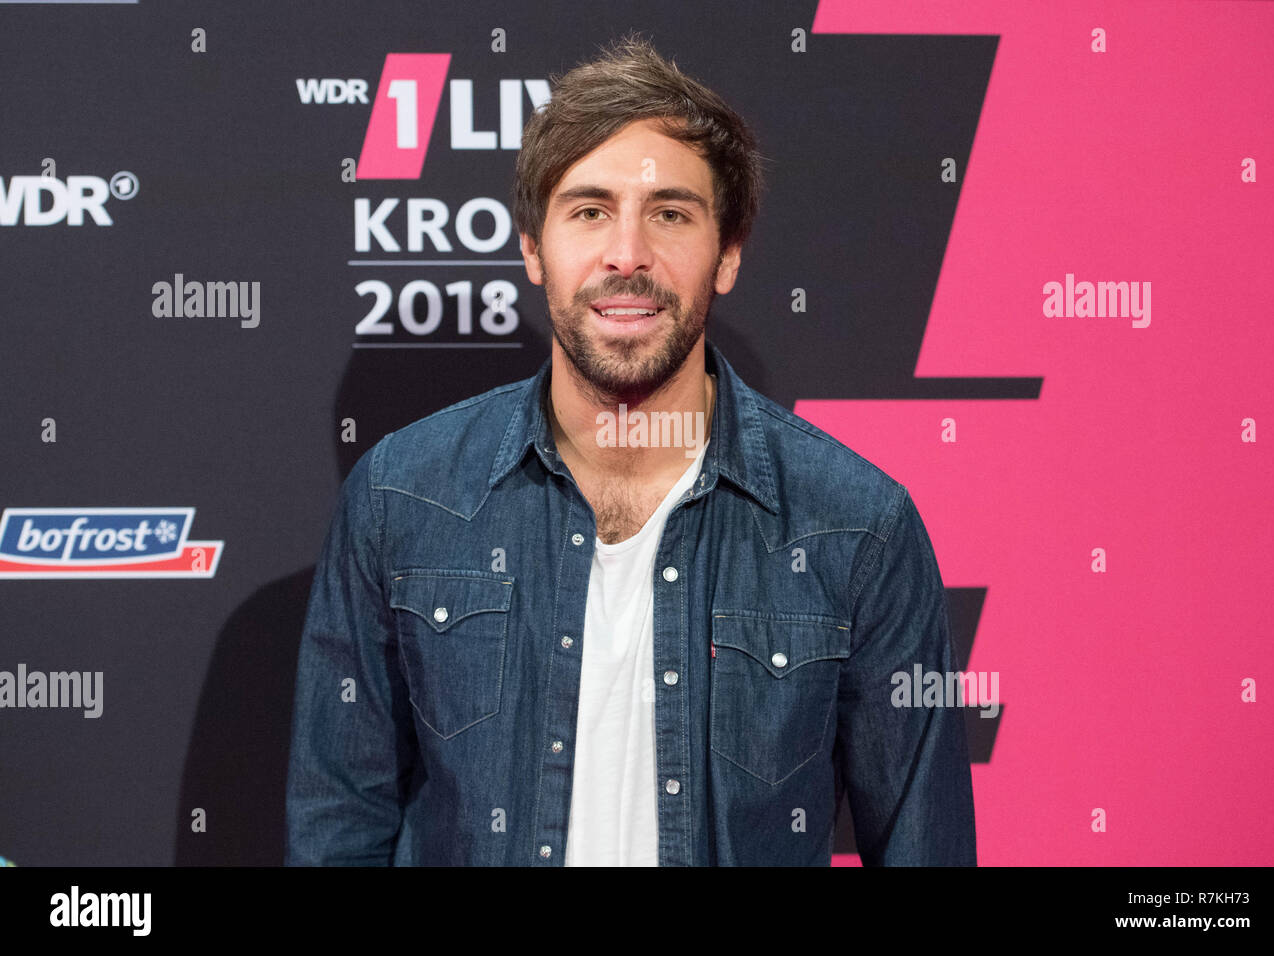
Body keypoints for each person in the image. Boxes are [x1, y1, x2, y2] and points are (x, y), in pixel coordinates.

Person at [285, 33, 976, 866]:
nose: (627, 254)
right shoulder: (400, 496)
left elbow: (922, 844)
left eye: (671, 214)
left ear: (727, 255)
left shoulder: (856, 525)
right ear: (533, 249)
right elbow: (337, 828)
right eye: (589, 210)